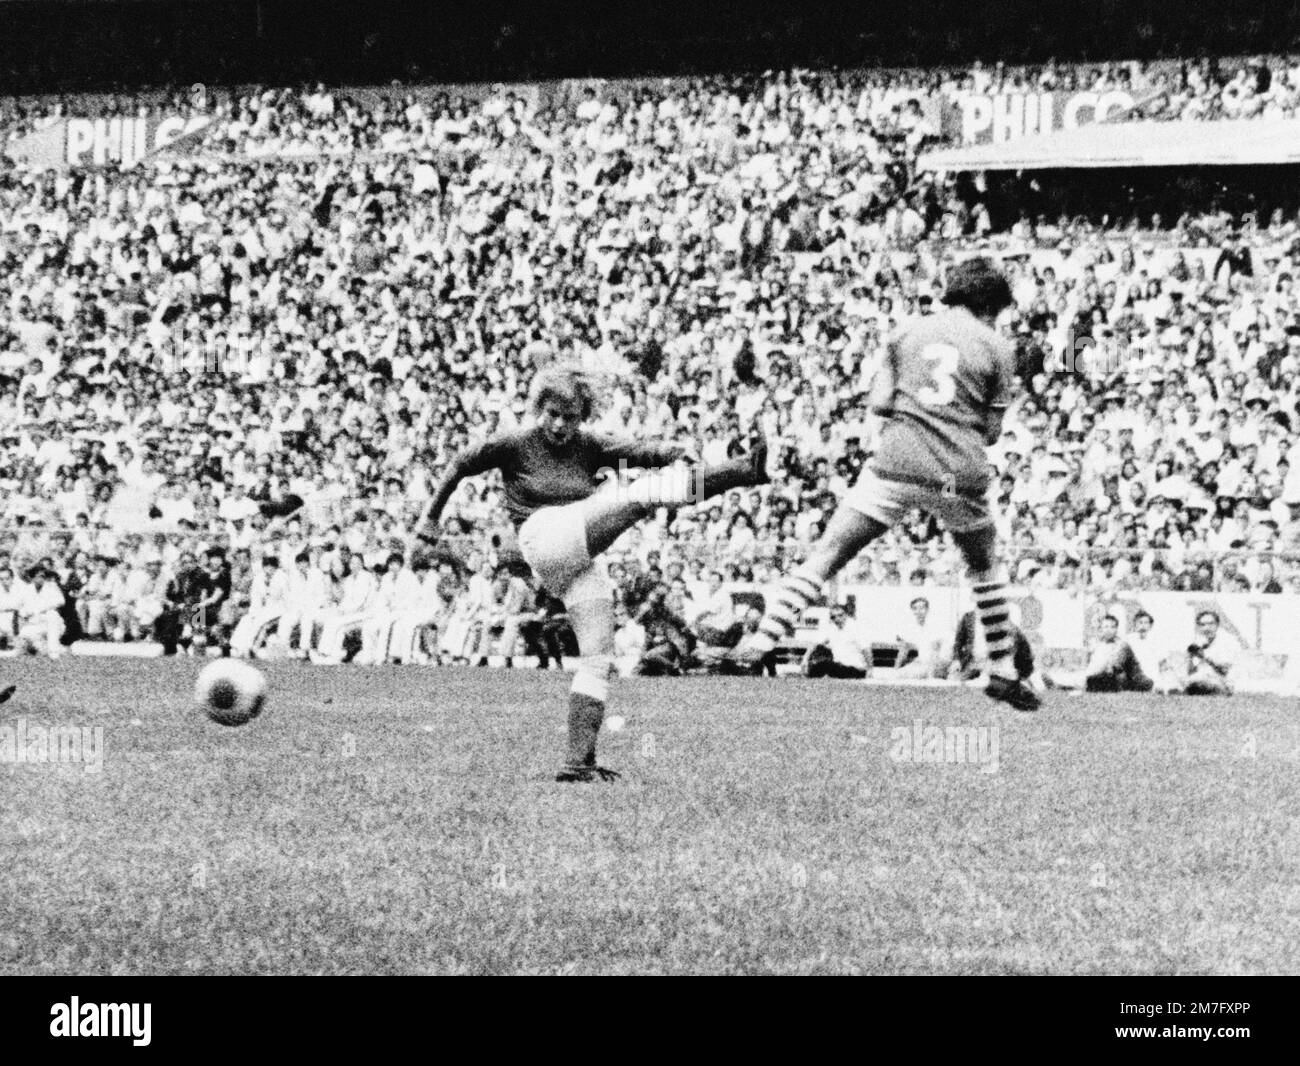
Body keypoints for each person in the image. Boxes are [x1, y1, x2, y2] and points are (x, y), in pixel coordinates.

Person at [410, 363, 767, 782]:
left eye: (571, 417)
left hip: (574, 559)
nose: (560, 425)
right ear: (537, 408)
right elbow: (459, 465)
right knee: (640, 497)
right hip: (542, 535)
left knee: (598, 657)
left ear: (583, 416)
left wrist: (679, 452)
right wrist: (427, 524)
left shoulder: (590, 445)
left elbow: (641, 450)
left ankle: (578, 763)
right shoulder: (514, 443)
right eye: (553, 414)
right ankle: (746, 471)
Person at [734, 257, 1041, 711]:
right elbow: (992, 433)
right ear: (991, 305)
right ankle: (1001, 668)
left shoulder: (904, 333)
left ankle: (761, 641)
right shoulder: (998, 346)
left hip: (898, 462)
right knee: (982, 566)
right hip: (958, 472)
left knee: (829, 553)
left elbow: (878, 402)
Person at [1083, 614, 1154, 692]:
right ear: (1101, 629)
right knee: (1091, 680)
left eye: (1112, 627)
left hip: (1135, 681)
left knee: (1112, 677)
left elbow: (1113, 668)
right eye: (1106, 627)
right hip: (1112, 678)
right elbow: (1089, 666)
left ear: (1116, 629)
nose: (1109, 630)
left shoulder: (1121, 645)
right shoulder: (1098, 645)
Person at [803, 602, 871, 679]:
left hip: (856, 668)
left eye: (840, 615)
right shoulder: (832, 629)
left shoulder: (856, 628)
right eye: (833, 617)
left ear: (846, 614)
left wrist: (870, 670)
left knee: (825, 665)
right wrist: (805, 659)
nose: (837, 619)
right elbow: (816, 643)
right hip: (839, 666)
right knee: (820, 662)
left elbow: (866, 650)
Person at [1182, 609, 1237, 695]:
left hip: (1222, 682)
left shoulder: (1228, 641)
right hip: (1200, 680)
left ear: (1217, 625)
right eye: (1203, 625)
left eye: (1211, 624)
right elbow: (1190, 672)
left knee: (1201, 683)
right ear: (1199, 627)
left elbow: (1224, 670)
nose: (1207, 628)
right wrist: (1191, 656)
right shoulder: (1198, 641)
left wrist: (1204, 656)